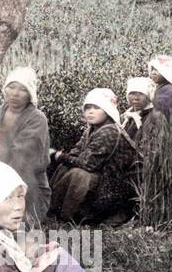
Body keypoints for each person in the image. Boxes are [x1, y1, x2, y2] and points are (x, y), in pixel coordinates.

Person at [0, 66, 51, 226]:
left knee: (16, 226)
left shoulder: (37, 119)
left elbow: (21, 160)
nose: (15, 94)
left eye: (22, 89)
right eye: (11, 87)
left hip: (25, 187)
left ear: (30, 93)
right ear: (5, 89)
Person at [48, 88, 133, 224]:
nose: (90, 112)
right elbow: (77, 151)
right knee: (65, 167)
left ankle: (69, 216)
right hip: (103, 180)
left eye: (96, 108)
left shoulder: (109, 131)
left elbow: (89, 164)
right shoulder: (92, 129)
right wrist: (63, 157)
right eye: (87, 108)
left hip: (114, 187)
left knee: (80, 175)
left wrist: (60, 155)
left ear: (107, 110)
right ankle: (53, 211)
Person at [148, 54, 172, 126]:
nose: (153, 72)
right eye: (152, 69)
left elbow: (166, 114)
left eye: (157, 70)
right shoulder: (162, 87)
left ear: (168, 73)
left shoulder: (169, 90)